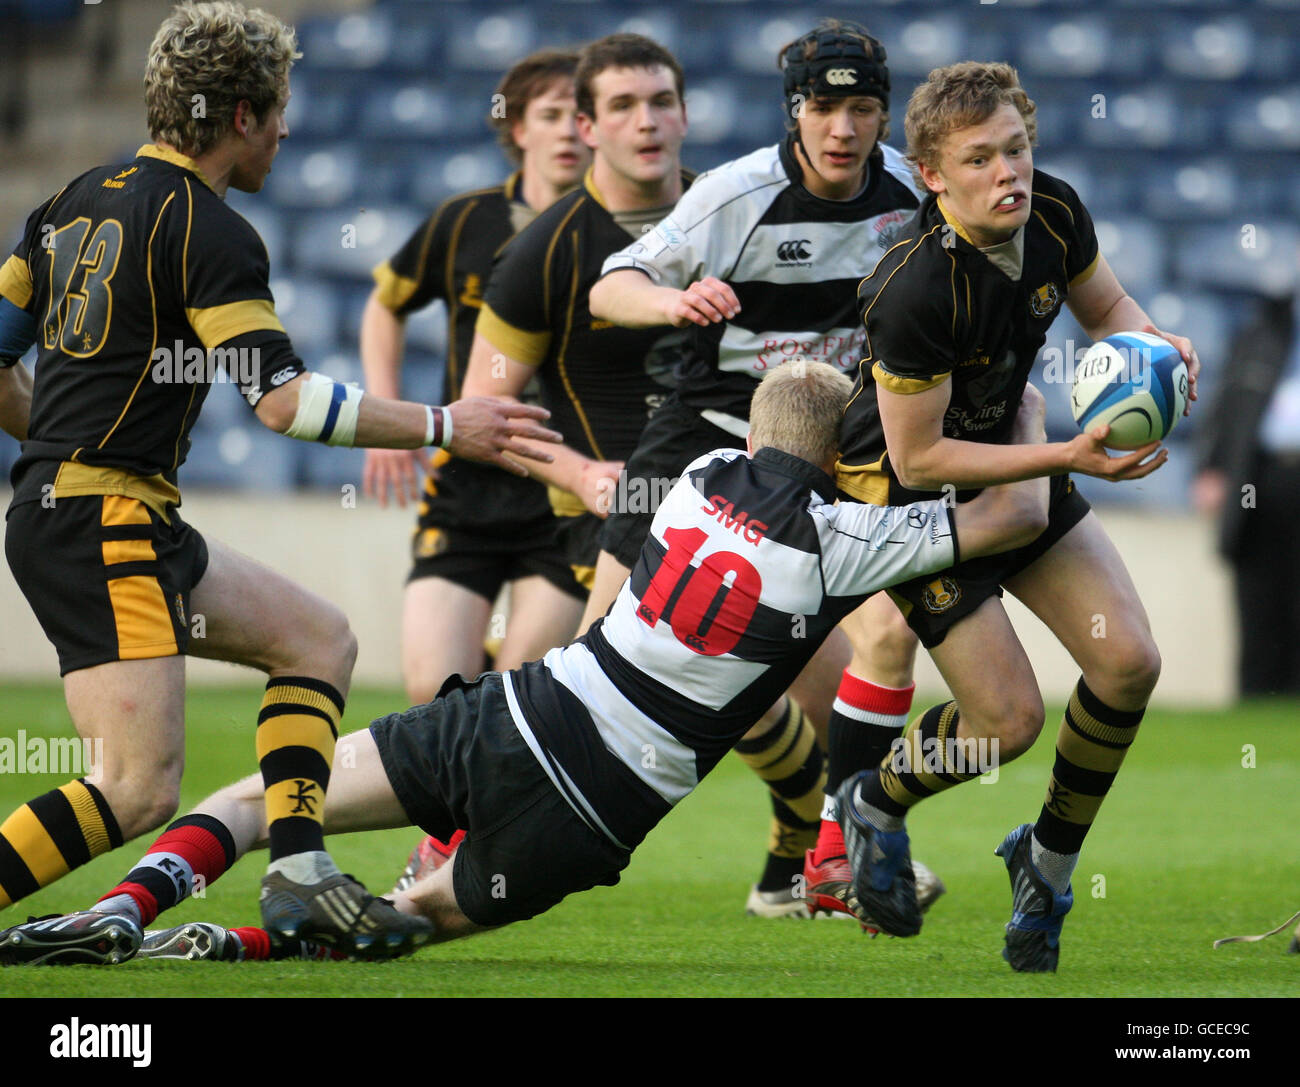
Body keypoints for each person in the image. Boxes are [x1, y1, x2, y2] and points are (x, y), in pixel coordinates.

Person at [0, 360, 1053, 964]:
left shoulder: (698, 473)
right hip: (596, 805)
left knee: (261, 797)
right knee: (406, 922)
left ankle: (123, 911)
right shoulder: (844, 539)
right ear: (836, 454)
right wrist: (1025, 412)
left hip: (518, 707)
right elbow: (1017, 511)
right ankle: (229, 949)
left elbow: (628, 502)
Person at [0, 1, 559, 962]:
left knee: (316, 639)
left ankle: (298, 866)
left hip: (107, 511)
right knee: (136, 789)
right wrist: (445, 425)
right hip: (105, 520)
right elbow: (284, 405)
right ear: (245, 117)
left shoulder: (67, 202)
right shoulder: (211, 230)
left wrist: (51, 441)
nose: (292, 130)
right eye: (281, 109)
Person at [830, 61, 1200, 971]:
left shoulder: (1057, 212)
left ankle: (1046, 862)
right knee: (1006, 720)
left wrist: (1155, 345)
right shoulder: (913, 290)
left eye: (1019, 148)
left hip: (1012, 449)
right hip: (909, 496)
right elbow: (919, 457)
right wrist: (1066, 456)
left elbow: (1108, 307)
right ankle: (874, 800)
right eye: (982, 158)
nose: (1010, 172)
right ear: (932, 175)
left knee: (1128, 664)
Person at [586, 19, 932, 919]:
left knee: (883, 638)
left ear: (884, 112)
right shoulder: (735, 194)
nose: (843, 129)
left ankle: (832, 853)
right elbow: (609, 286)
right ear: (796, 111)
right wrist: (671, 296)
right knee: (597, 657)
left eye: (862, 108)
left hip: (843, 443)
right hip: (706, 431)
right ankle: (465, 833)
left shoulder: (910, 192)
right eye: (824, 107)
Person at [361, 49, 590, 710]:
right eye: (551, 116)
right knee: (432, 696)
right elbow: (384, 303)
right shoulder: (464, 219)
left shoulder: (618, 231)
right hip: (467, 485)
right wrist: (390, 420)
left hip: (565, 495)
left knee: (513, 702)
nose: (570, 132)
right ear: (519, 130)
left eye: (581, 116)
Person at [1192, 290, 1300, 696]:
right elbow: (1227, 402)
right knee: (1256, 600)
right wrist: (1212, 468)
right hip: (1261, 478)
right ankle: (1255, 703)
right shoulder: (1265, 325)